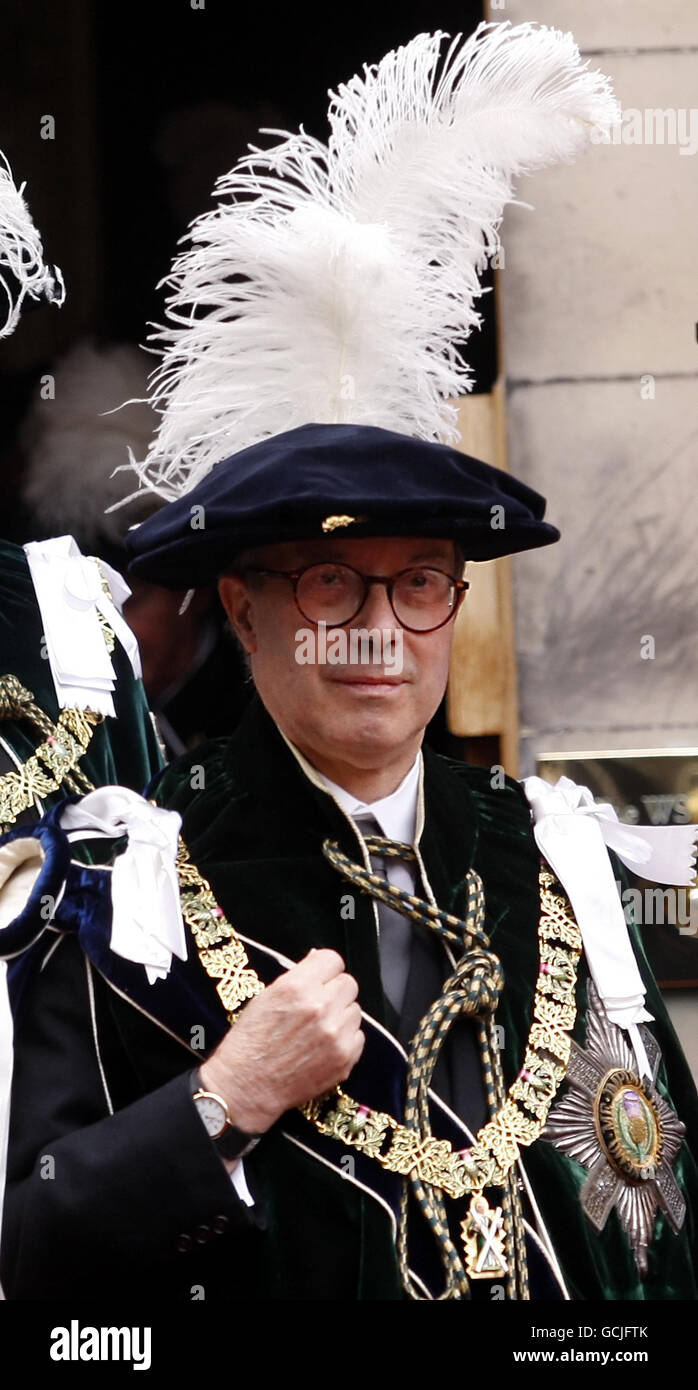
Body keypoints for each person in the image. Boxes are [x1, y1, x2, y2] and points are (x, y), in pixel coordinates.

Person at [2, 22, 697, 1302]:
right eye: (329, 580)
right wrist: (223, 1099)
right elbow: (34, 1250)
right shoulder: (125, 879)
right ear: (244, 610)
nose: (377, 624)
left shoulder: (558, 865)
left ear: (454, 610)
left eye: (419, 580)